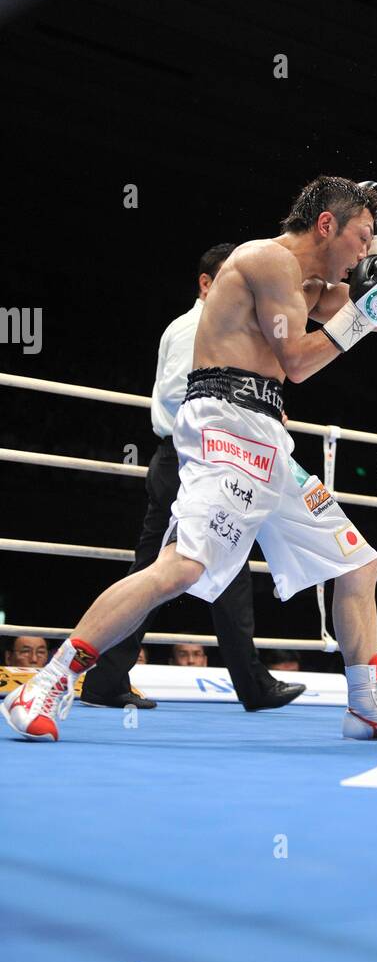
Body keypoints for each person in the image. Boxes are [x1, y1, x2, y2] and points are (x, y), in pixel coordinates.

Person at [3, 176, 377, 744]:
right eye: (357, 237)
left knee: (356, 564)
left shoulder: (312, 282)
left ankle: (365, 706)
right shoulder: (265, 259)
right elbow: (302, 360)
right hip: (226, 423)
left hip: (266, 436)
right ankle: (50, 682)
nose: (361, 253)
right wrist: (362, 308)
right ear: (325, 224)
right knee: (182, 565)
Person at [79, 243, 304, 714]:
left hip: (205, 455)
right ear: (207, 283)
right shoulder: (199, 326)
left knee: (190, 567)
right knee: (181, 570)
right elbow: (194, 392)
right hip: (196, 453)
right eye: (227, 280)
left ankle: (107, 677)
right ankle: (249, 684)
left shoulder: (218, 324)